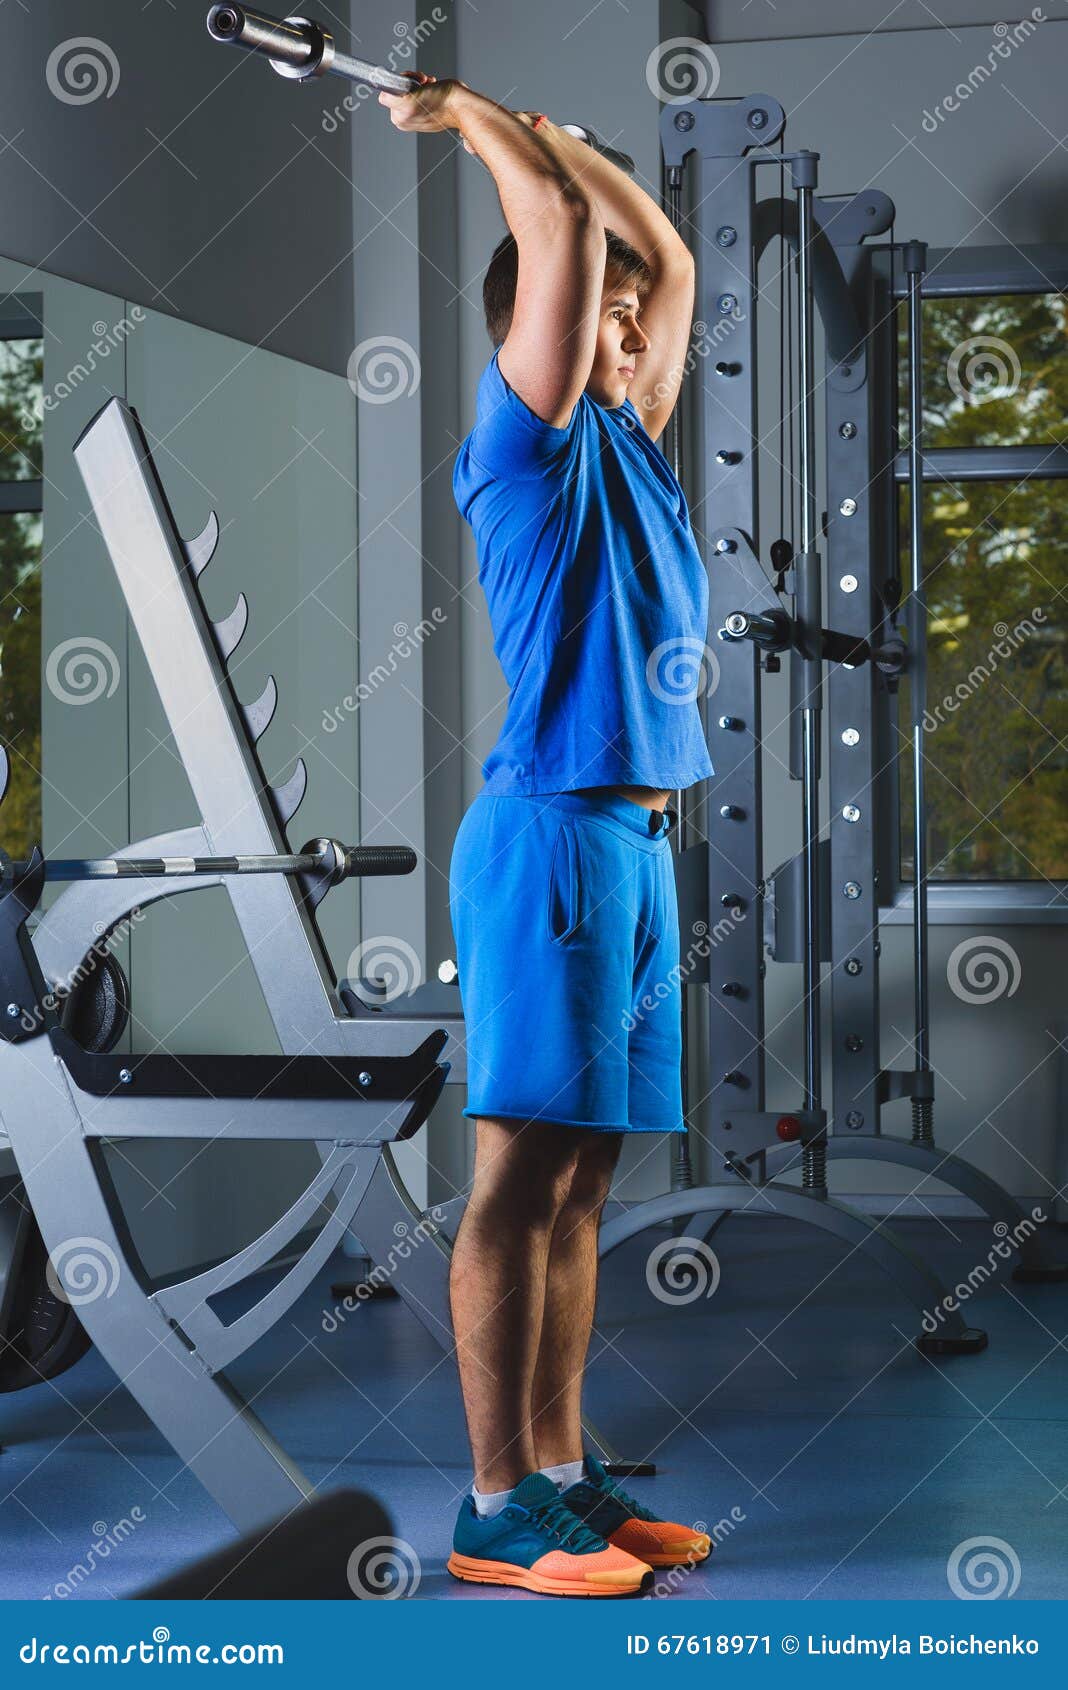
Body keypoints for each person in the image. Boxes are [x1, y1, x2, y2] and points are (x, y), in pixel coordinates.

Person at [379, 72, 715, 1598]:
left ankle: (566, 1479)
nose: (633, 331)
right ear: (540, 333)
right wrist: (469, 120)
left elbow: (669, 255)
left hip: (635, 853)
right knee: (517, 1184)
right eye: (606, 319)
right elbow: (567, 235)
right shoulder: (527, 452)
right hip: (549, 844)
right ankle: (493, 1505)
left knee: (584, 1190)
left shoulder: (635, 449)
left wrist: (546, 128)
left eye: (633, 322)